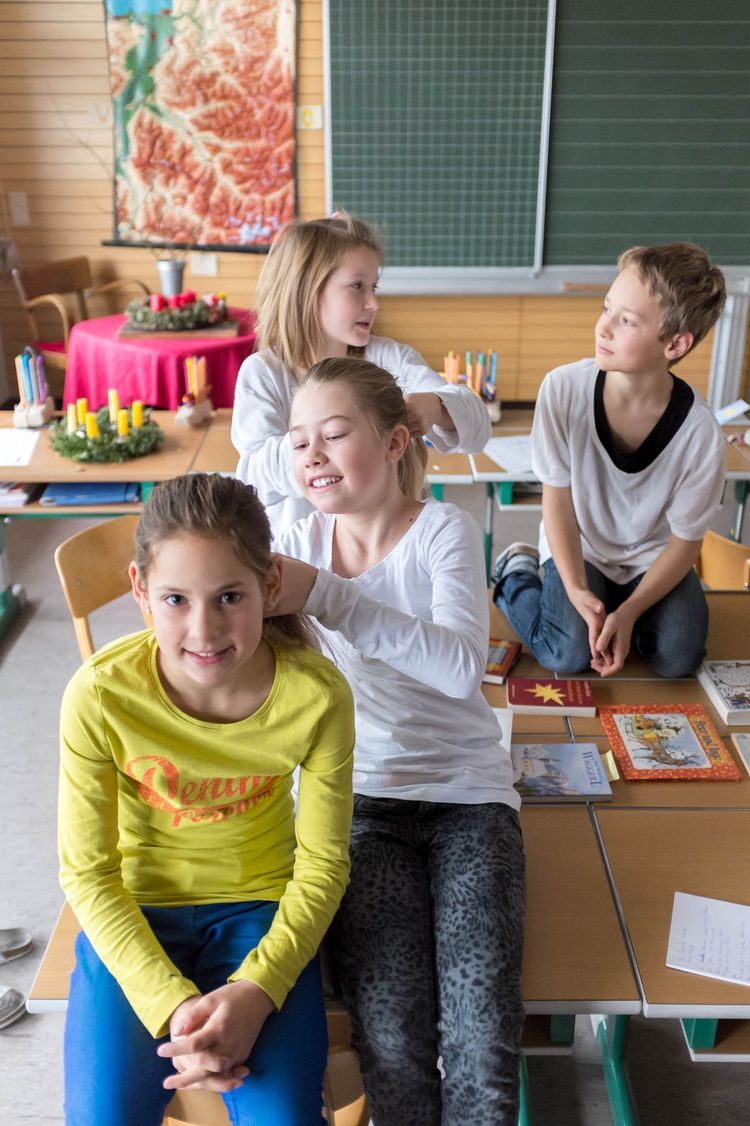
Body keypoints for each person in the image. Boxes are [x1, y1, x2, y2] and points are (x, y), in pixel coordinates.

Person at [58, 474, 354, 1126]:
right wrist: (174, 1008)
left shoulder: (319, 696)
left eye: (228, 596)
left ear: (270, 584)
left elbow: (324, 865)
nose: (204, 629)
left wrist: (256, 991)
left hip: (260, 919)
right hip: (133, 922)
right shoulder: (99, 696)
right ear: (140, 589)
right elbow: (87, 872)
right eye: (174, 599)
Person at [274, 357, 525, 1125]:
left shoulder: (443, 529)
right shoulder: (293, 535)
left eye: (335, 434)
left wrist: (327, 595)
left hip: (467, 800)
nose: (312, 453)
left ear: (392, 445)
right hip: (360, 801)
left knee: (481, 1035)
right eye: (297, 440)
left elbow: (459, 667)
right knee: (391, 1034)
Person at [492, 242, 727, 679]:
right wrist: (578, 590)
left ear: (676, 343)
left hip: (652, 557)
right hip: (581, 547)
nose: (603, 327)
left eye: (627, 320)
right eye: (606, 307)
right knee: (567, 656)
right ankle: (515, 572)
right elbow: (557, 503)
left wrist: (632, 611)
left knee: (679, 660)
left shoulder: (700, 432)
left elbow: (685, 542)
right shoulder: (562, 390)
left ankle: (619, 612)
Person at [231, 212, 491, 537]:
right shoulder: (263, 373)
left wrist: (436, 406)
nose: (373, 303)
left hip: (389, 548)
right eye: (357, 286)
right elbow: (253, 481)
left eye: (374, 287)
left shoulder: (390, 359)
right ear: (307, 289)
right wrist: (329, 437)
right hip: (301, 563)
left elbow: (478, 428)